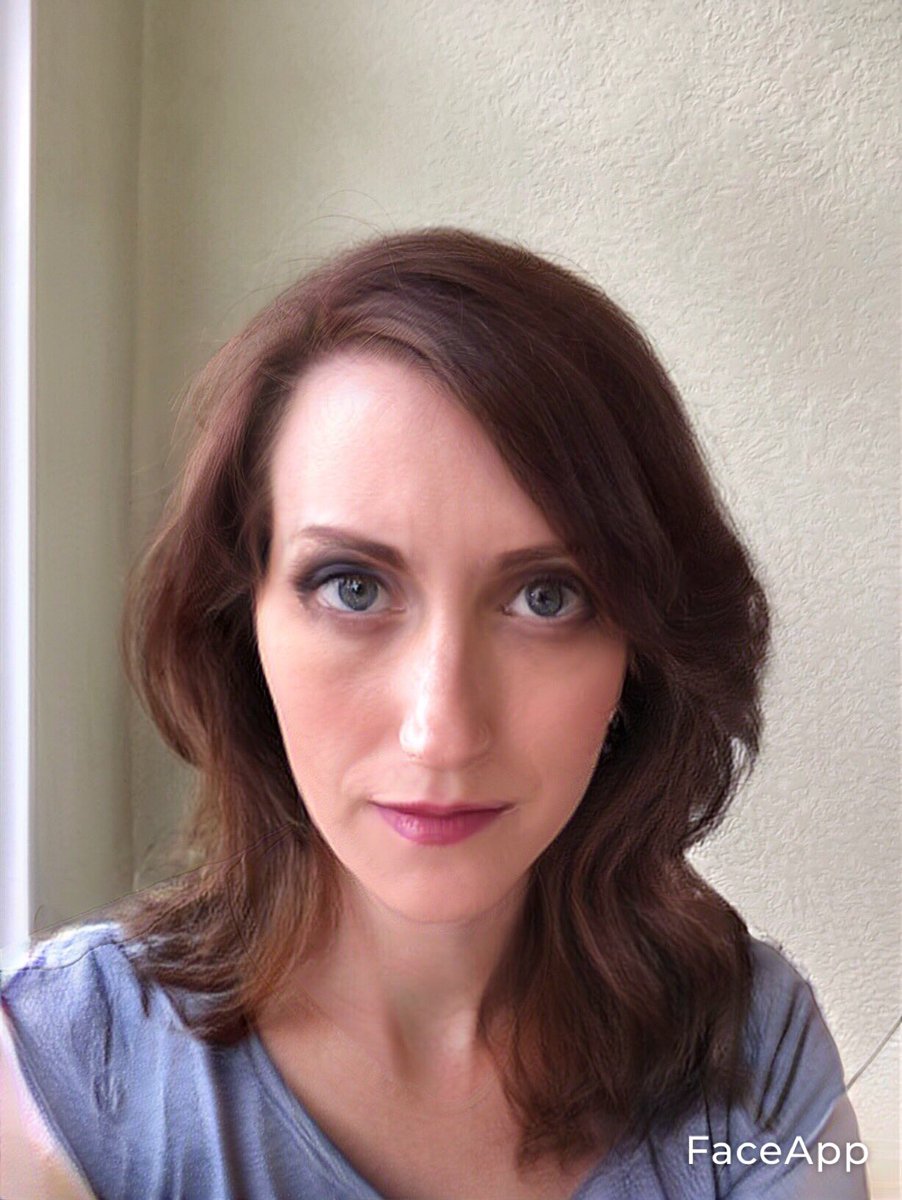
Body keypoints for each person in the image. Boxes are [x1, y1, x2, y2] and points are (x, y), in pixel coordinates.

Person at [0, 228, 868, 1199]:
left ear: (640, 654)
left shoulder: (755, 1056)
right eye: (353, 587)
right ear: (241, 625)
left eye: (547, 597)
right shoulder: (62, 1069)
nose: (441, 731)